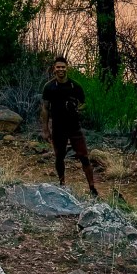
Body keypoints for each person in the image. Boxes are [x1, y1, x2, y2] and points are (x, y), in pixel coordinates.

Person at [40, 55, 99, 195]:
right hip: (58, 128)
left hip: (74, 127)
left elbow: (84, 103)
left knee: (84, 156)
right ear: (54, 69)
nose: (61, 69)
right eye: (58, 67)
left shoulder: (75, 86)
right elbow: (44, 108)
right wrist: (45, 129)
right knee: (59, 157)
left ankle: (92, 188)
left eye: (63, 67)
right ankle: (62, 184)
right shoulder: (49, 87)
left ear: (67, 68)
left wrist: (77, 108)